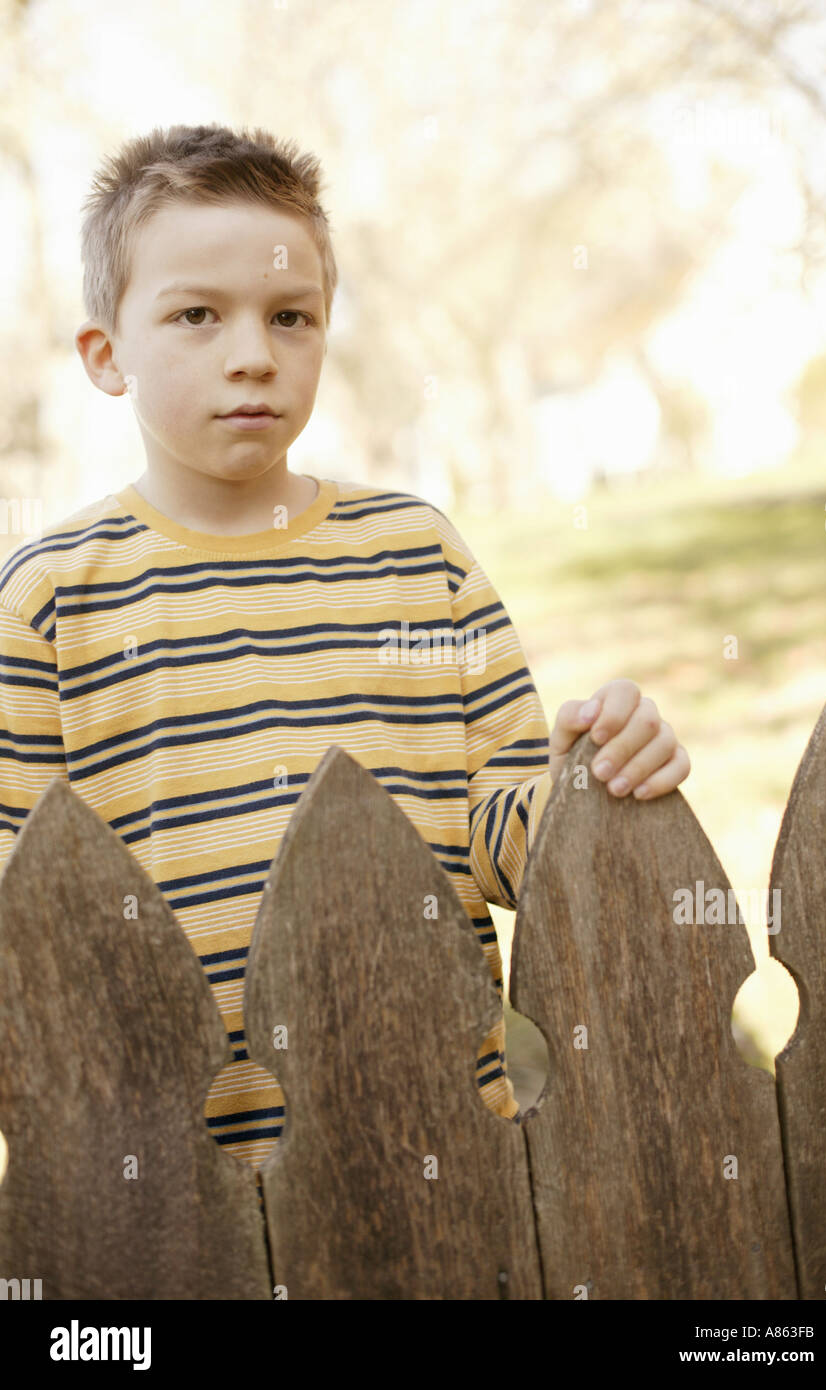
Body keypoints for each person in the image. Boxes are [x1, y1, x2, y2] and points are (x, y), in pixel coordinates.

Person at [0, 124, 690, 1176]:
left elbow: (509, 840)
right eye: (196, 314)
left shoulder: (418, 557)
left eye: (292, 317)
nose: (253, 354)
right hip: (176, 1186)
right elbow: (23, 915)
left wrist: (595, 771)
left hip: (442, 1148)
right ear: (107, 355)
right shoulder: (50, 601)